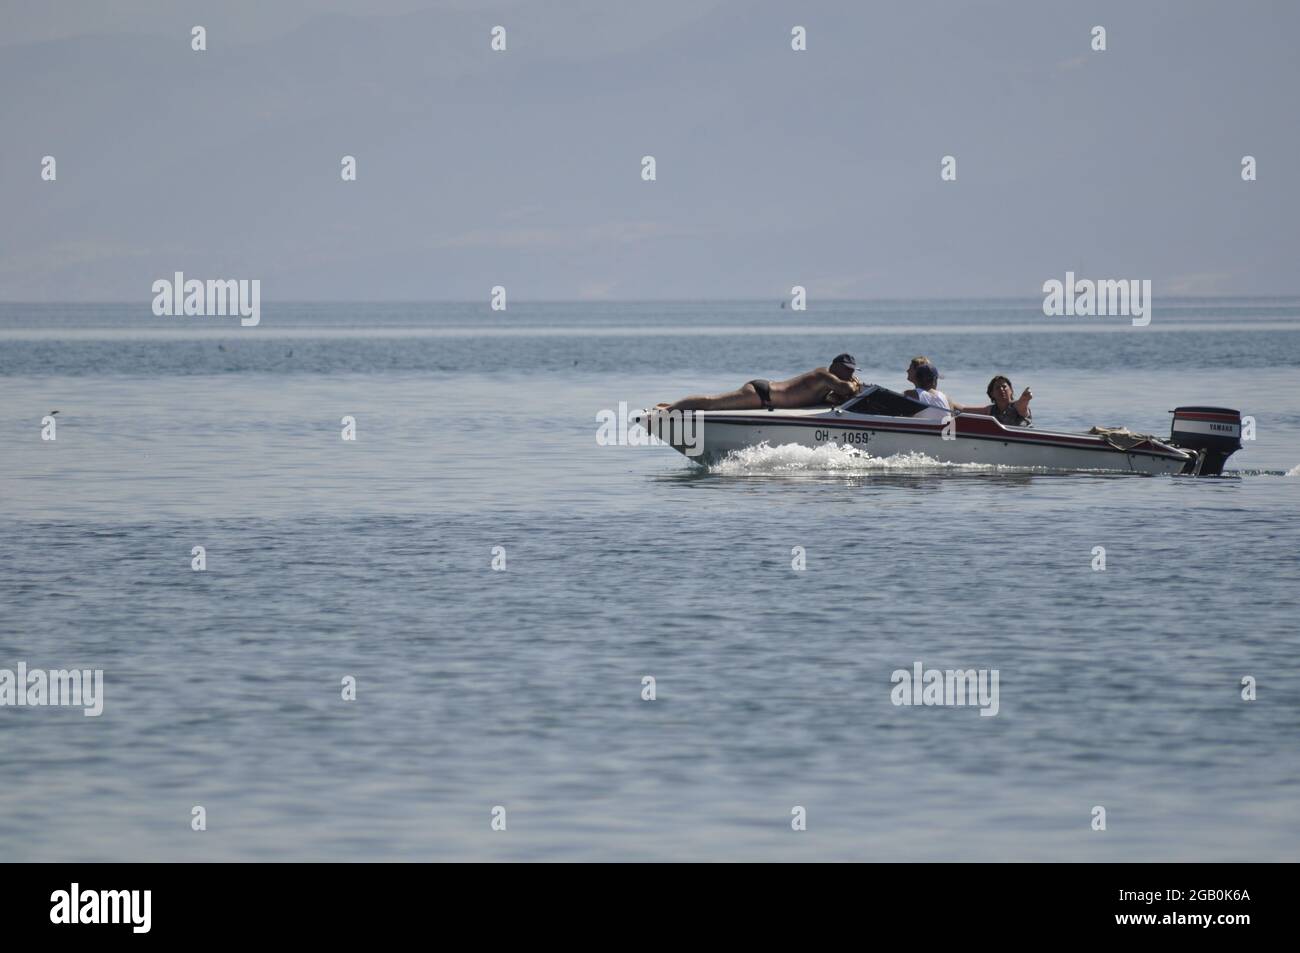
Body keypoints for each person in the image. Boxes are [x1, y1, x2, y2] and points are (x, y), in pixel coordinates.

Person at [661, 353, 863, 412]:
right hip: (762, 394)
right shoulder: (823, 374)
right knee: (711, 403)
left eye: (852, 371)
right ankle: (669, 409)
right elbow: (845, 388)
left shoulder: (827, 384)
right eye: (847, 370)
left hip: (765, 393)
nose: (849, 374)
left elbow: (833, 398)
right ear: (835, 366)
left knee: (711, 403)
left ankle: (672, 406)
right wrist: (855, 384)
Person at [962, 375, 1033, 426]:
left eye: (1004, 386)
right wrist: (950, 403)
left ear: (1011, 390)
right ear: (992, 394)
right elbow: (963, 409)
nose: (1001, 389)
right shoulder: (990, 410)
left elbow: (1022, 405)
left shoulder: (1017, 406)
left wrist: (1025, 398)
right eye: (997, 387)